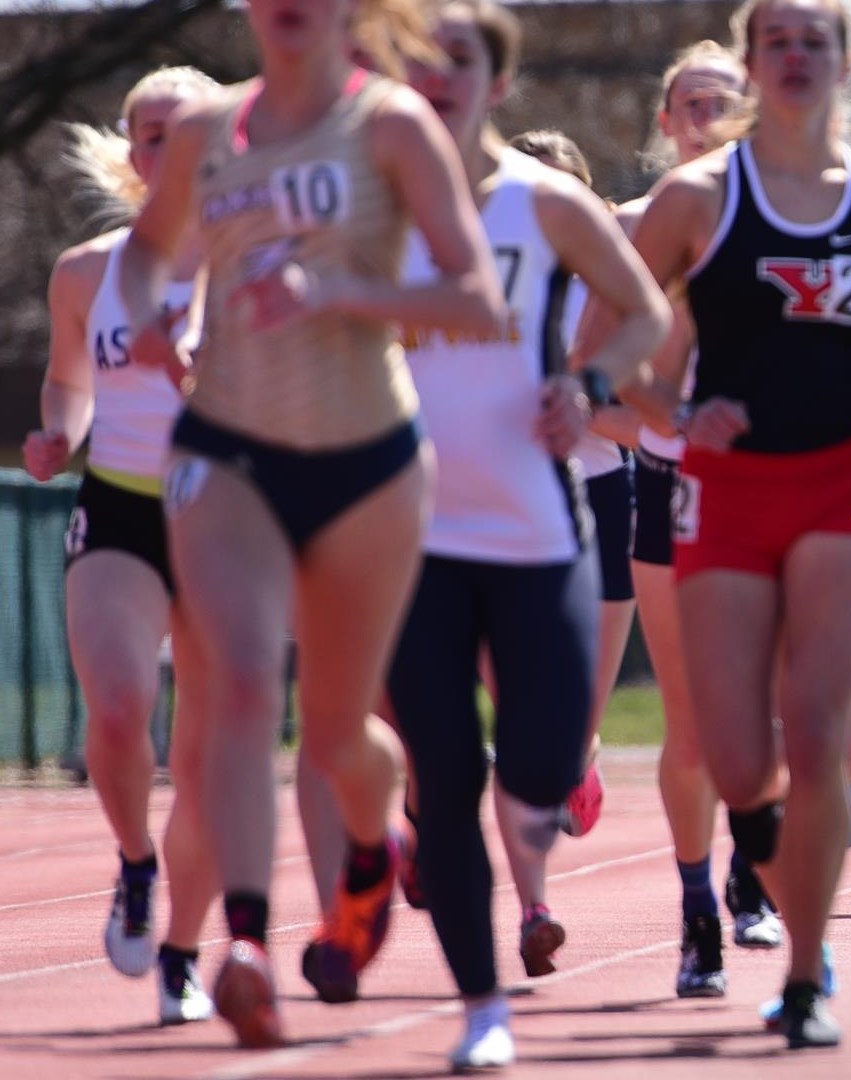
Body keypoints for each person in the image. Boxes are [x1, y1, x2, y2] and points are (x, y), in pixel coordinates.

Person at [117, 0, 506, 1046]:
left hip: (368, 460)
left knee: (336, 731)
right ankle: (246, 945)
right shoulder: (207, 132)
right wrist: (160, 316)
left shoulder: (390, 125)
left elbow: (476, 295)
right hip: (226, 447)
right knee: (240, 683)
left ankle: (378, 843)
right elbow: (146, 254)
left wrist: (332, 289)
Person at [620, 0, 851, 1048]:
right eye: (775, 40)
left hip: (843, 489)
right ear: (751, 64)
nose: (794, 56)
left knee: (823, 736)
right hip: (726, 495)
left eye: (814, 40)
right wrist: (682, 410)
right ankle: (772, 851)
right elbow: (614, 343)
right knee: (740, 761)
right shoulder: (696, 201)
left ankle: (803, 974)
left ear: (846, 60)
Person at [392, 3, 672, 1067]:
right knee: (445, 776)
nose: (439, 77)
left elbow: (643, 311)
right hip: (408, 533)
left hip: (535, 521)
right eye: (419, 61)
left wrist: (589, 384)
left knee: (545, 762)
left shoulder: (546, 206)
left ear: (497, 83)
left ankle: (536, 798)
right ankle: (482, 1010)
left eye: (460, 58)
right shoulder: (372, 204)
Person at [576, 40, 786, 1002]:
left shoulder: (801, 215)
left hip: (781, 488)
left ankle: (754, 868)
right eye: (691, 103)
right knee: (695, 718)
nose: (706, 116)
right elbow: (591, 371)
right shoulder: (625, 228)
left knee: (775, 706)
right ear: (665, 123)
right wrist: (671, 422)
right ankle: (701, 907)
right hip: (668, 484)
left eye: (723, 101)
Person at [21, 65, 222, 1028]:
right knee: (117, 699)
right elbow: (69, 382)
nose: (165, 151)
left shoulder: (251, 262)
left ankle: (183, 945)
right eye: (149, 135)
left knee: (206, 752)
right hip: (123, 503)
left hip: (228, 520)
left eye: (185, 133)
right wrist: (58, 432)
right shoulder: (84, 271)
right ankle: (135, 863)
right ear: (132, 152)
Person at [506, 127, 622, 847]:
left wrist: (580, 405)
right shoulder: (478, 276)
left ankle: (579, 752)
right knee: (515, 682)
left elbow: (649, 422)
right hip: (502, 493)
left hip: (601, 491)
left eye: (556, 184)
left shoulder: (605, 290)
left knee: (580, 695)